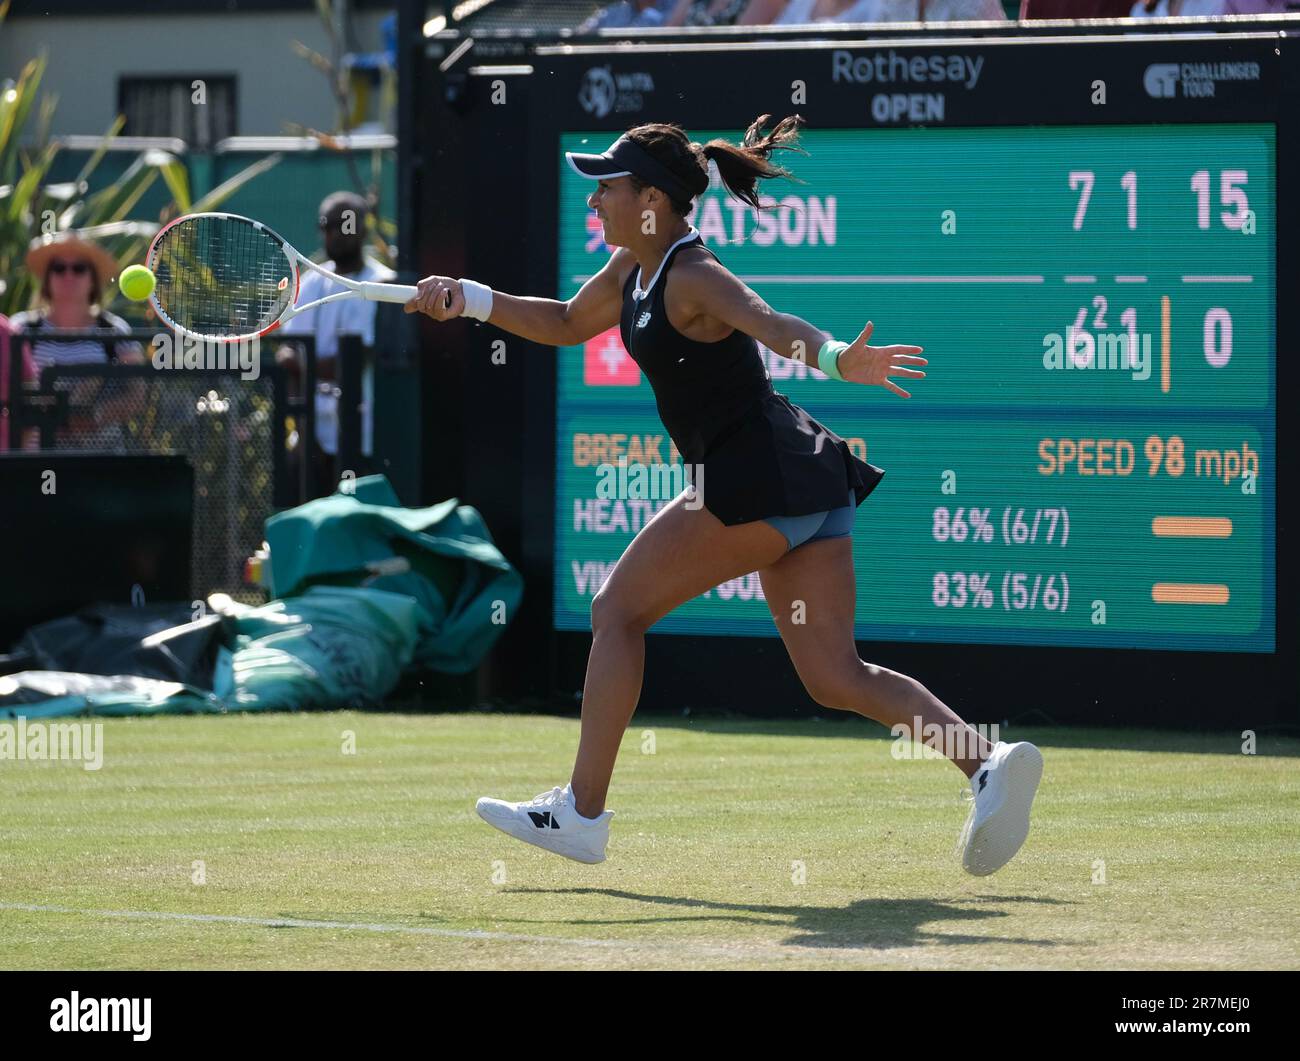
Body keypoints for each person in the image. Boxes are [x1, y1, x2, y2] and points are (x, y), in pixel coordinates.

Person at [405, 115, 1043, 876]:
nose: (594, 202)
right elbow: (568, 321)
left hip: (752, 481)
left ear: (651, 199)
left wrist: (842, 358)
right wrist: (469, 299)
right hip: (805, 477)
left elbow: (770, 323)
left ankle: (581, 812)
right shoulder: (628, 270)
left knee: (616, 611)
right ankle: (986, 762)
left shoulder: (691, 273)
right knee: (835, 674)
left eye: (606, 187)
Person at [277, 191, 396, 495]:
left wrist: (304, 365)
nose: (334, 233)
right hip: (311, 436)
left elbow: (353, 362)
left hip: (364, 437)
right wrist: (303, 426)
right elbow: (288, 352)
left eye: (343, 225)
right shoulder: (312, 281)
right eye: (327, 226)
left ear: (363, 229)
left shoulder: (384, 283)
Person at [11, 232, 144, 450]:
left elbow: (137, 395)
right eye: (59, 268)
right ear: (47, 278)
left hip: (100, 464)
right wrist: (53, 411)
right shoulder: (22, 328)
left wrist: (93, 416)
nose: (68, 275)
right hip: (35, 464)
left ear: (92, 279)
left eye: (79, 268)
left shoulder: (114, 329)